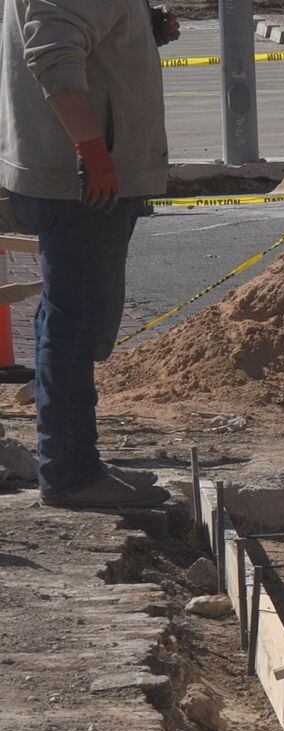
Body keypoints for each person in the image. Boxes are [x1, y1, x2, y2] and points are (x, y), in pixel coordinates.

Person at [1, 0, 175, 509]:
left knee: (65, 317)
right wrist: (94, 152)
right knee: (76, 324)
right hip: (80, 180)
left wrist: (141, 27)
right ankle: (70, 473)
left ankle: (72, 461)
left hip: (69, 171)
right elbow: (53, 50)